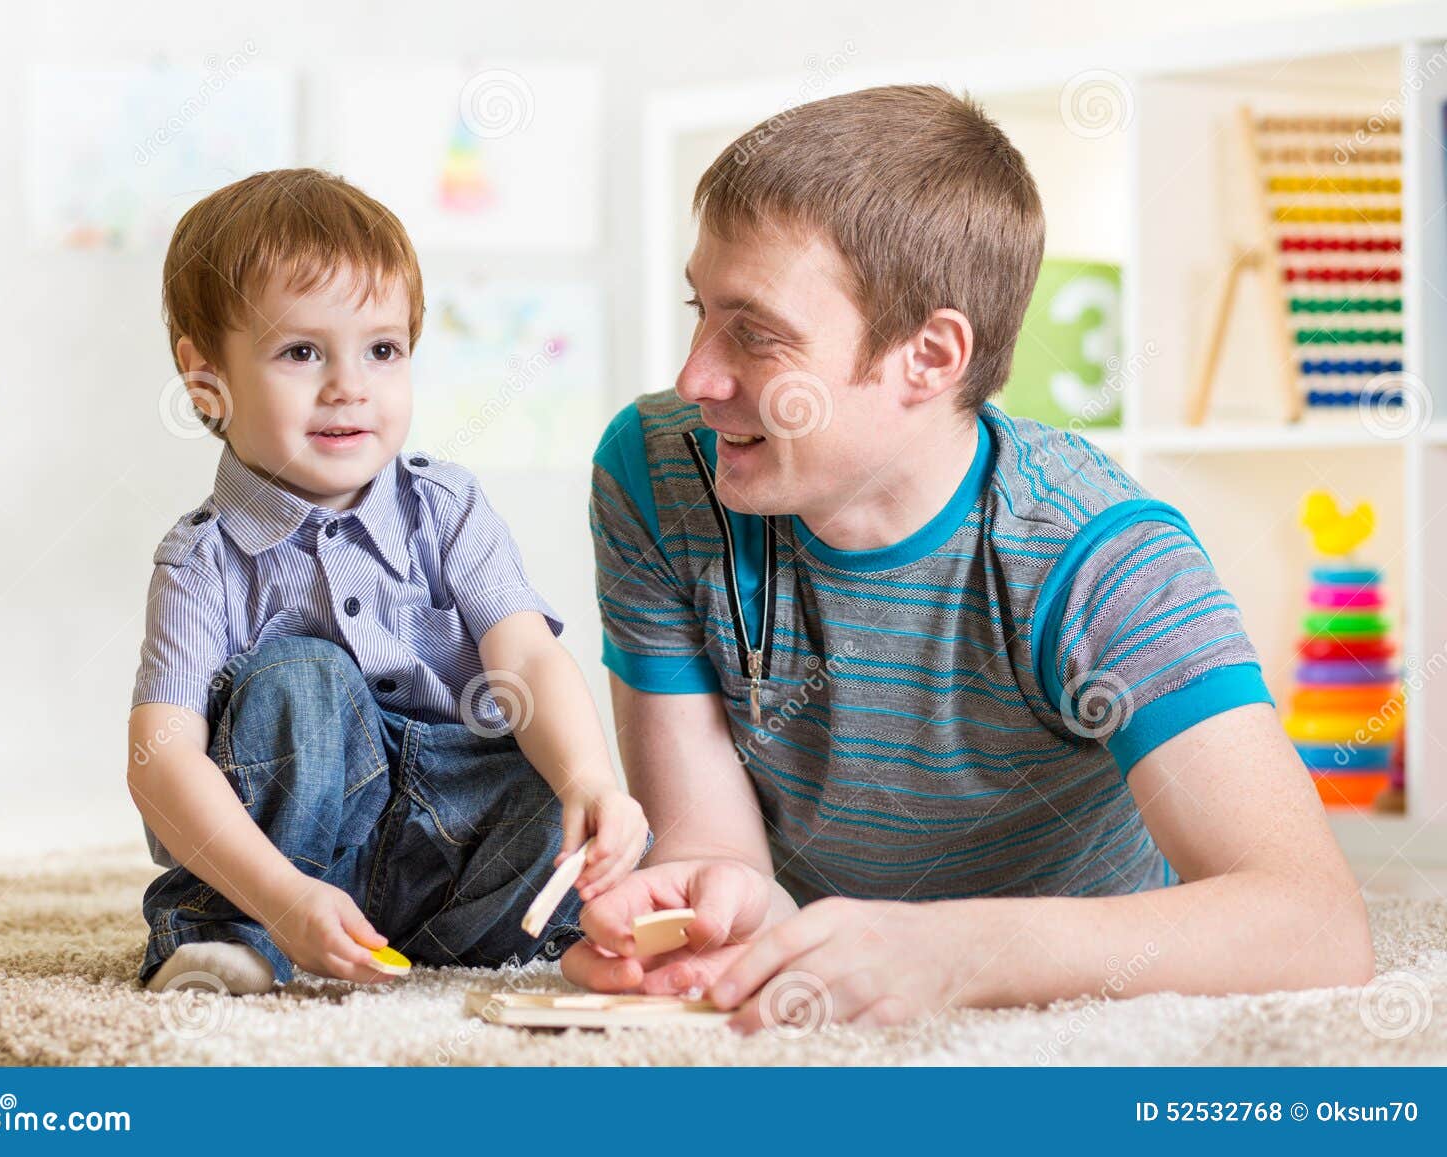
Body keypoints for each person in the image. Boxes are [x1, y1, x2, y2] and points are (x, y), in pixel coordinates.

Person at [567, 85, 1373, 1029]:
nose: (695, 377)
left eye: (756, 333)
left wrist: (950, 950)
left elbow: (1316, 922)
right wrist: (716, 908)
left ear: (930, 355)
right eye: (702, 310)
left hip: (1070, 1006)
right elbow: (717, 846)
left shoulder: (1098, 553)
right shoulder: (659, 472)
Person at [127, 168, 646, 994]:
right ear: (205, 379)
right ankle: (233, 932)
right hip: (287, 863)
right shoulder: (205, 560)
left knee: (549, 785)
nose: (350, 386)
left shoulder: (446, 505)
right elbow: (160, 760)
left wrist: (589, 779)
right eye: (302, 351)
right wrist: (284, 896)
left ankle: (561, 928)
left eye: (382, 349)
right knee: (303, 676)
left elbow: (528, 659)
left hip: (451, 846)